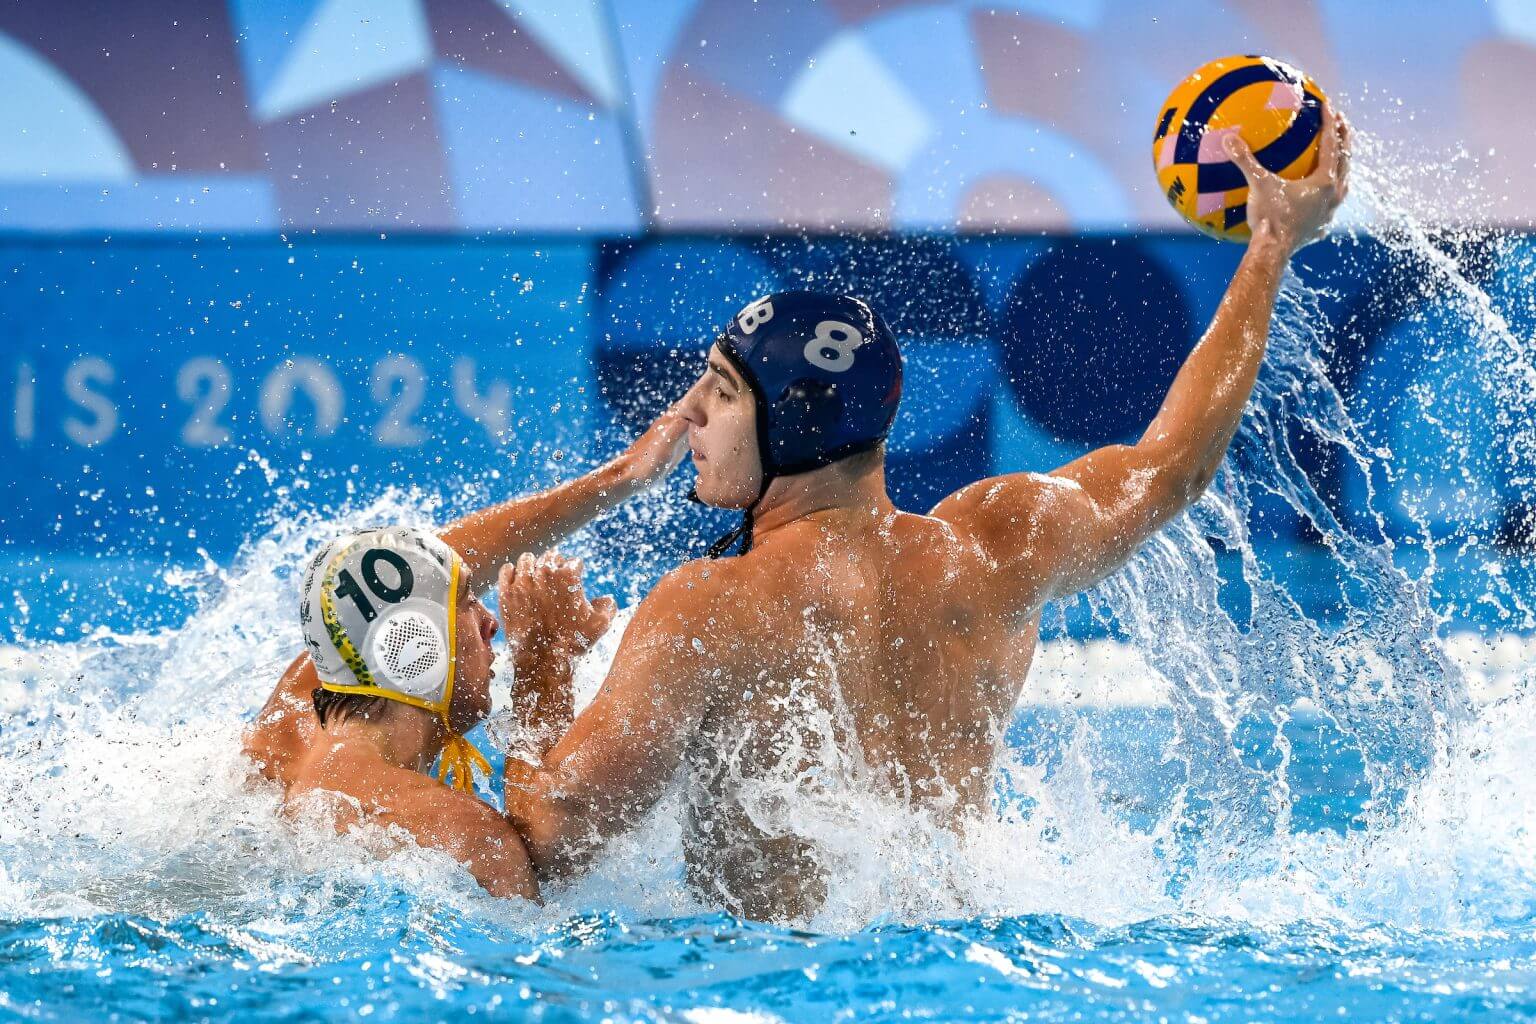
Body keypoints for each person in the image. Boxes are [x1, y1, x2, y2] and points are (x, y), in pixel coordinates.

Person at [496, 109, 1352, 920]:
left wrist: (538, 662)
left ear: (793, 422)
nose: (688, 415)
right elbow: (1173, 468)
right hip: (966, 943)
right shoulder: (1000, 546)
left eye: (721, 392)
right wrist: (1271, 244)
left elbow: (554, 843)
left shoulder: (707, 607)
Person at [241, 415, 685, 897]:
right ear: (411, 643)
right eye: (469, 601)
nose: (491, 621)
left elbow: (396, 578)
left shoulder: (300, 712)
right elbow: (550, 868)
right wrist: (544, 660)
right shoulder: (463, 836)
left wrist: (622, 475)